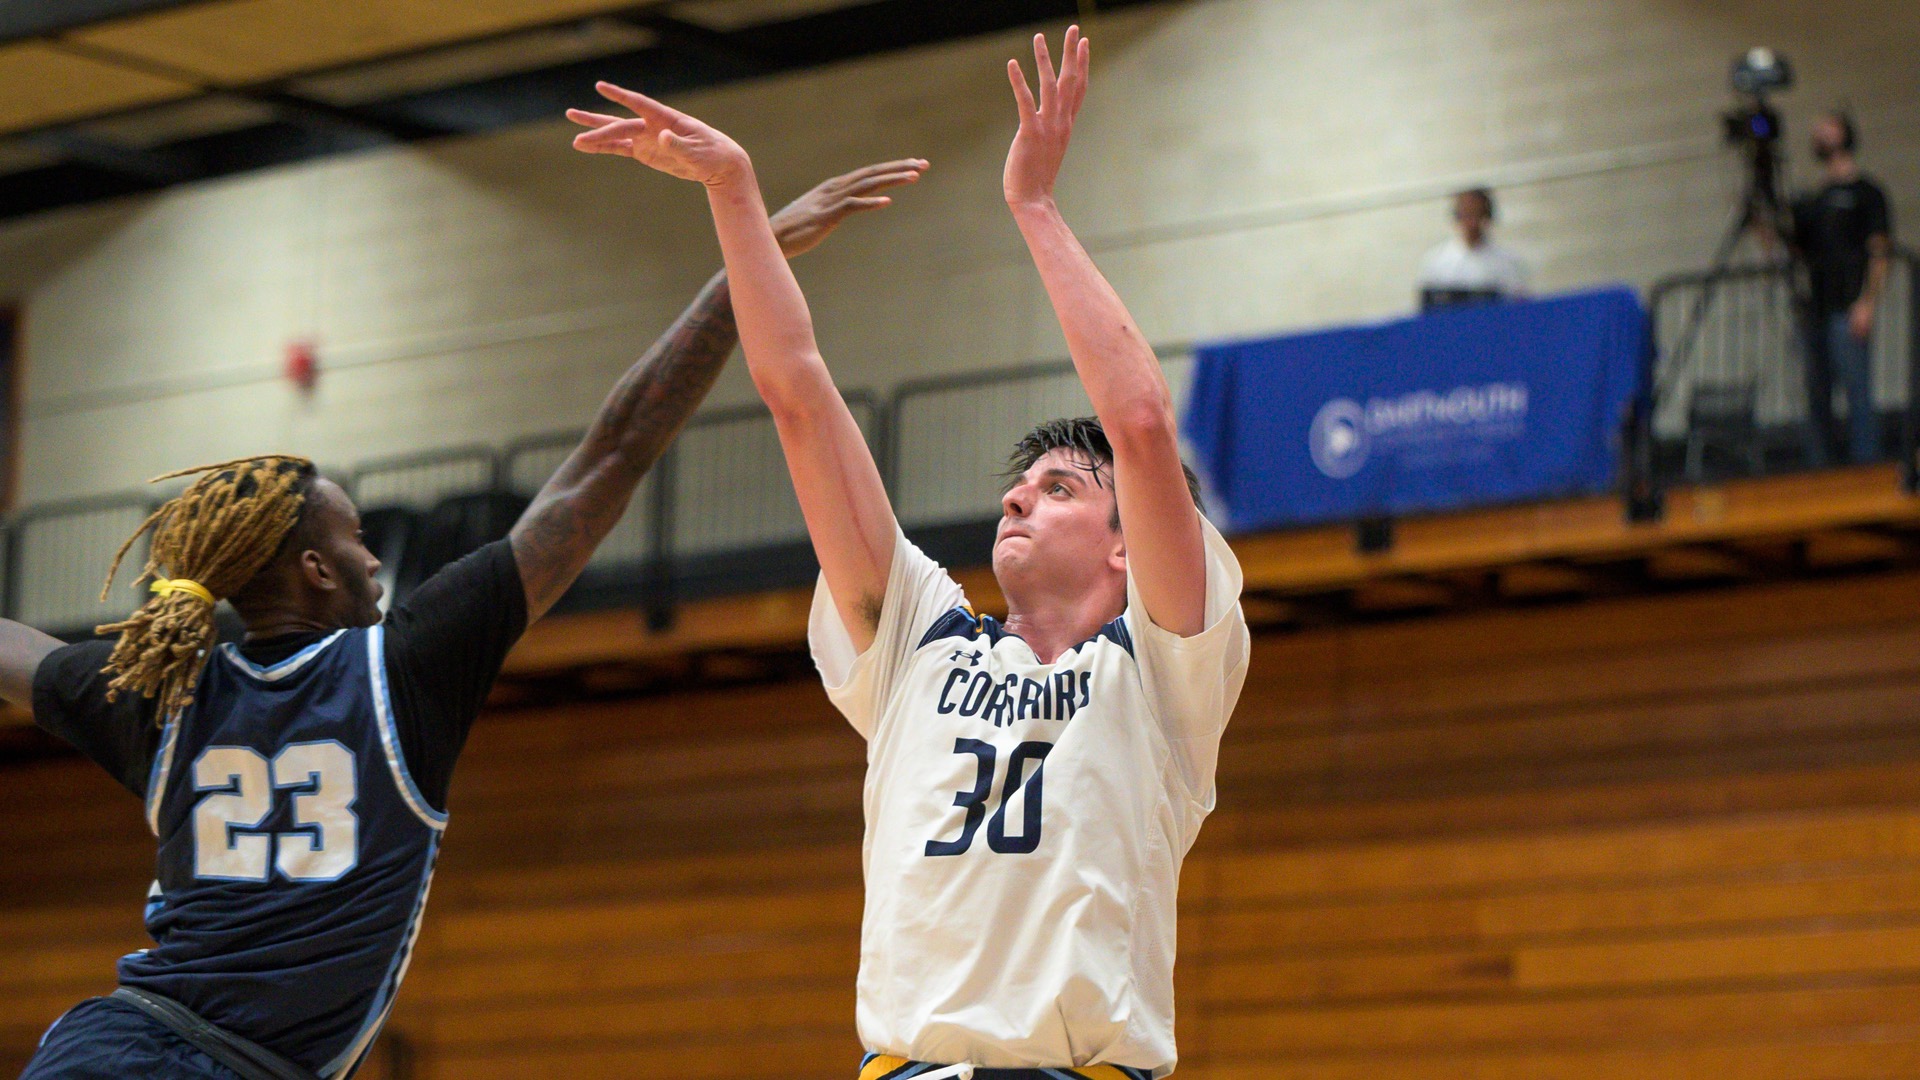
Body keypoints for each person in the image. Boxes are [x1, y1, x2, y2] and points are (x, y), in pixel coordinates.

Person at [4, 157, 923, 1080]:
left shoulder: (163, 693)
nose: (375, 557)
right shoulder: (400, 671)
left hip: (110, 1048)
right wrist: (740, 277)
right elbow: (615, 450)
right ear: (317, 570)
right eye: (357, 536)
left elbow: (20, 654)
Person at [568, 24, 1248, 1080]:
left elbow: (1143, 424)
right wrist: (734, 192)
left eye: (1061, 488)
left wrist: (1034, 207)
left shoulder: (1163, 671)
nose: (1019, 497)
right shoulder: (919, 649)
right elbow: (796, 395)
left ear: (1130, 553)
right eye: (1017, 487)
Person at [1791, 111, 1894, 466]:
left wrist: (1868, 302)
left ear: (1846, 134)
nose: (1820, 132)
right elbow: (1794, 248)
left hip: (1848, 307)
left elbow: (1880, 250)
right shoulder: (1814, 201)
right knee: (1817, 395)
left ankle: (1867, 467)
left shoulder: (1867, 193)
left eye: (1828, 126)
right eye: (1816, 129)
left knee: (1857, 391)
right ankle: (1820, 471)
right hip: (1815, 309)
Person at [1416, 187, 1529, 309]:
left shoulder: (1508, 262)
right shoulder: (1435, 262)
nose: (1472, 222)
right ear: (1457, 216)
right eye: (1467, 214)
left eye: (1478, 213)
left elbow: (1520, 306)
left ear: (1487, 216)